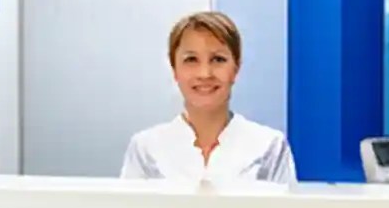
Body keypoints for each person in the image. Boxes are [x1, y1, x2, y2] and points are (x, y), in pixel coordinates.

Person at [120, 11, 297, 183]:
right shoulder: (146, 148)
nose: (205, 74)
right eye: (191, 60)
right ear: (174, 69)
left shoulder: (270, 147)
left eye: (218, 59)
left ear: (236, 68)